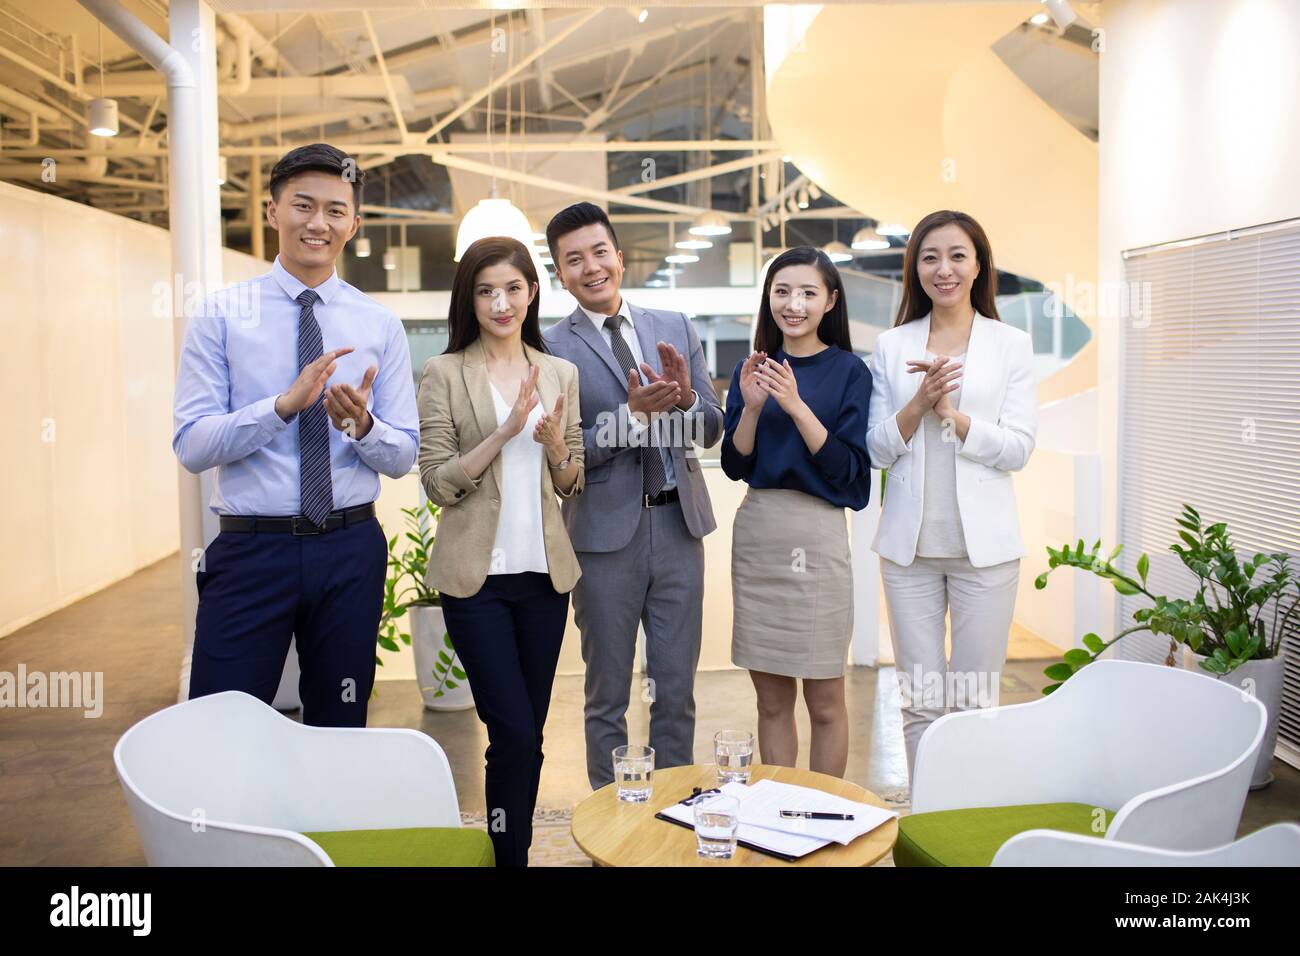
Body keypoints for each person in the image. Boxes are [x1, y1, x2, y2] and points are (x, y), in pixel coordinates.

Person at [174, 143, 418, 728]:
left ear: (353, 225)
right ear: (271, 211)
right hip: (251, 552)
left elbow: (405, 453)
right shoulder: (222, 315)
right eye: (303, 206)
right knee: (224, 724)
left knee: (341, 726)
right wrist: (281, 407)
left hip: (349, 550)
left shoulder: (379, 324)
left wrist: (362, 426)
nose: (318, 223)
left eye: (336, 211)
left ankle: (324, 823)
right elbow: (192, 445)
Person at [541, 202, 724, 790]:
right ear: (560, 273)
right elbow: (563, 453)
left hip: (678, 531)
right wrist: (632, 419)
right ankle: (613, 832)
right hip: (601, 539)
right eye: (575, 260)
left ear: (618, 257)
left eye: (599, 253)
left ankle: (670, 819)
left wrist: (689, 401)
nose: (591, 267)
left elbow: (713, 428)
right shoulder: (549, 349)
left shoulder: (675, 325)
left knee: (675, 690)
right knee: (607, 696)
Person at [418, 236, 584, 867]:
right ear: (471, 299)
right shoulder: (444, 372)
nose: (501, 301)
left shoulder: (559, 373)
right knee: (511, 729)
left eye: (513, 287)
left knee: (526, 740)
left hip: (543, 580)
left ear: (532, 293)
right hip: (475, 583)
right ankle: (508, 856)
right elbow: (437, 481)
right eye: (486, 290)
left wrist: (553, 447)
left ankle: (507, 854)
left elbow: (572, 482)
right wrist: (506, 431)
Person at [865, 209, 1037, 783]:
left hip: (984, 556)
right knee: (919, 703)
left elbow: (1017, 449)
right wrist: (917, 406)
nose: (944, 269)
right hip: (908, 554)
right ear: (915, 268)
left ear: (978, 265)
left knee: (972, 706)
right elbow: (875, 449)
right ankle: (927, 823)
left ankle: (968, 825)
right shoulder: (891, 347)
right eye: (930, 257)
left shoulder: (1011, 345)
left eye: (957, 256)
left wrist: (954, 417)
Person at [720, 247, 872, 777]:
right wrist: (754, 406)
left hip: (819, 536)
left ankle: (824, 822)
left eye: (808, 293)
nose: (794, 304)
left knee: (826, 700)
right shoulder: (752, 369)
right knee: (770, 701)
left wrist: (796, 405)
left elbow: (851, 475)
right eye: (782, 291)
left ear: (830, 300)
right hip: (760, 532)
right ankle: (779, 813)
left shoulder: (850, 372)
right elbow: (735, 464)